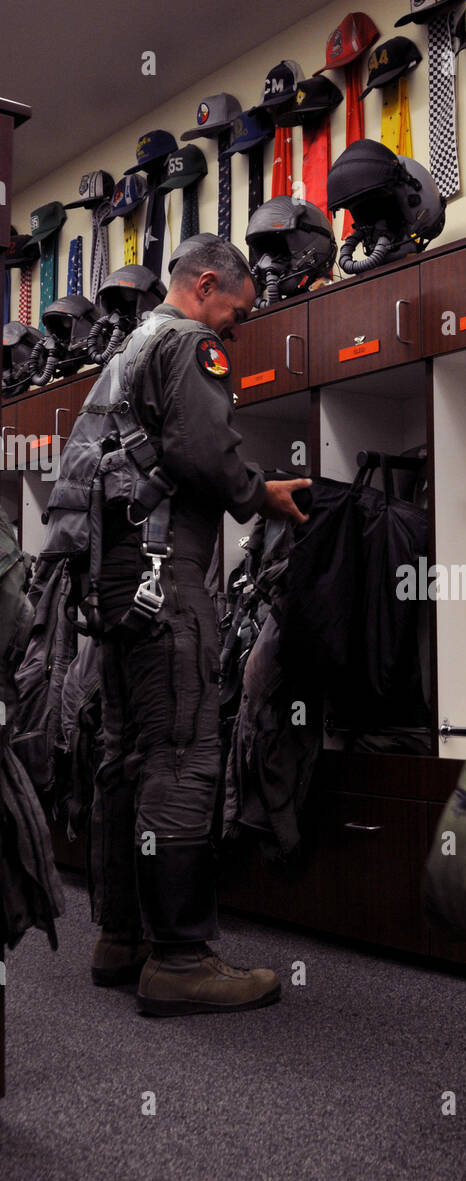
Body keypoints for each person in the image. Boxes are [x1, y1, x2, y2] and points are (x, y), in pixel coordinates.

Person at [89, 237, 309, 1016]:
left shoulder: (126, 349)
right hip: (166, 581)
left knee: (125, 754)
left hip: (114, 586)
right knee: (182, 753)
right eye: (238, 314)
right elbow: (201, 451)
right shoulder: (188, 345)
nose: (236, 332)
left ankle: (123, 936)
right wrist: (262, 494)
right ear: (207, 284)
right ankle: (180, 958)